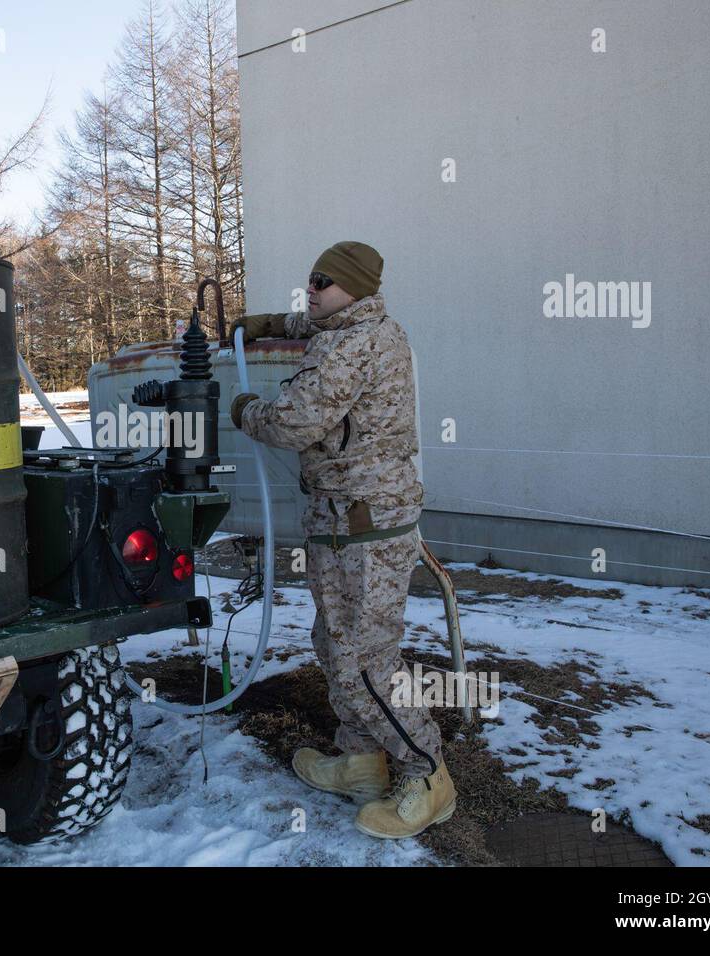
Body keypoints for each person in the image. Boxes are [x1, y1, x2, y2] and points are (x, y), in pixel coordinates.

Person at [230, 242, 456, 839]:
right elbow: (307, 321)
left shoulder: (355, 344)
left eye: (324, 281)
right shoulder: (342, 322)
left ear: (354, 288)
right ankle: (362, 762)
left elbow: (292, 421)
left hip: (368, 525)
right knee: (336, 645)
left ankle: (428, 774)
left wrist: (245, 409)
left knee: (367, 660)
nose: (312, 287)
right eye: (310, 277)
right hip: (337, 520)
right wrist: (269, 325)